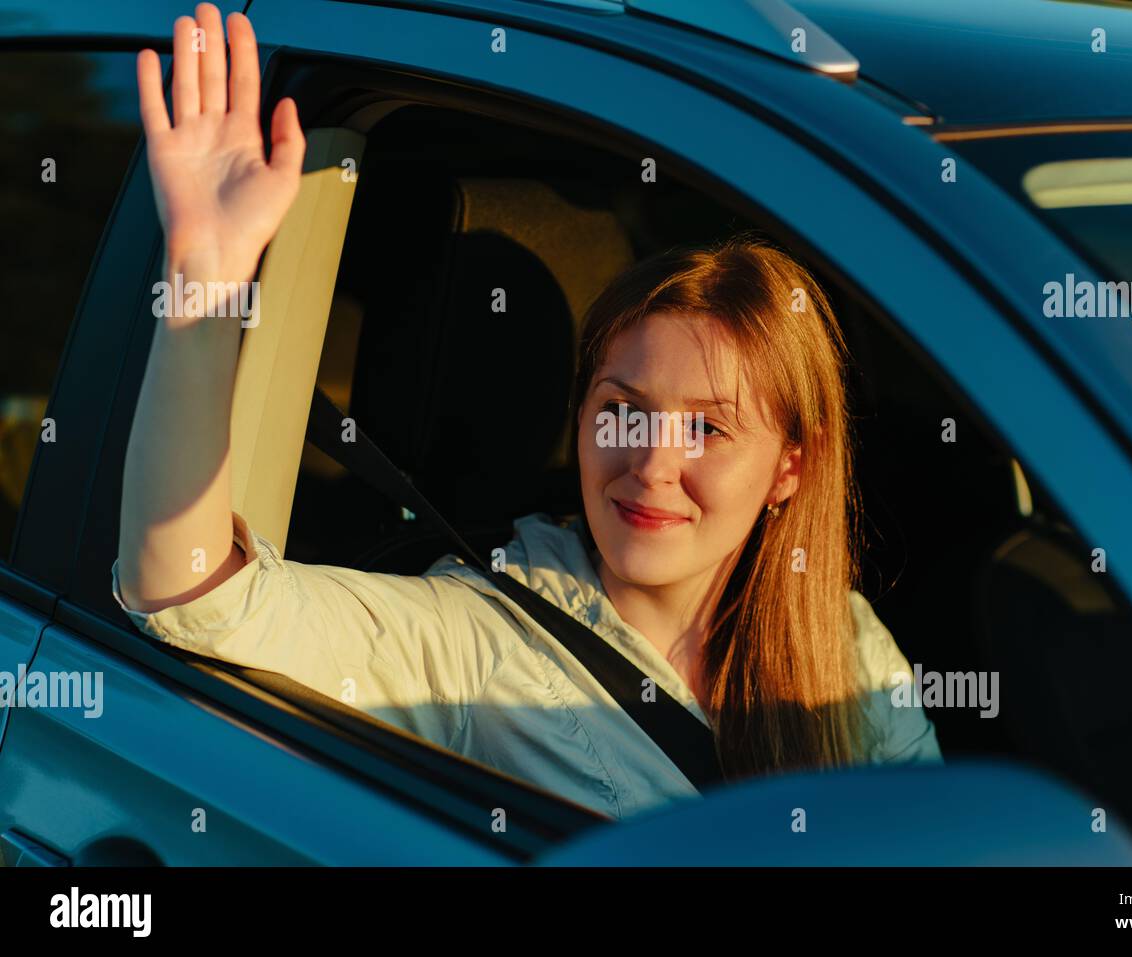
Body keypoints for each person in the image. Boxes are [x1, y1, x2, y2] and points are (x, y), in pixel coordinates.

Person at [114, 4, 942, 821]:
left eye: (708, 427)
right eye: (622, 408)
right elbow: (192, 594)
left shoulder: (846, 645)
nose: (651, 462)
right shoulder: (484, 636)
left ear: (790, 467)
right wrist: (206, 276)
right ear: (579, 415)